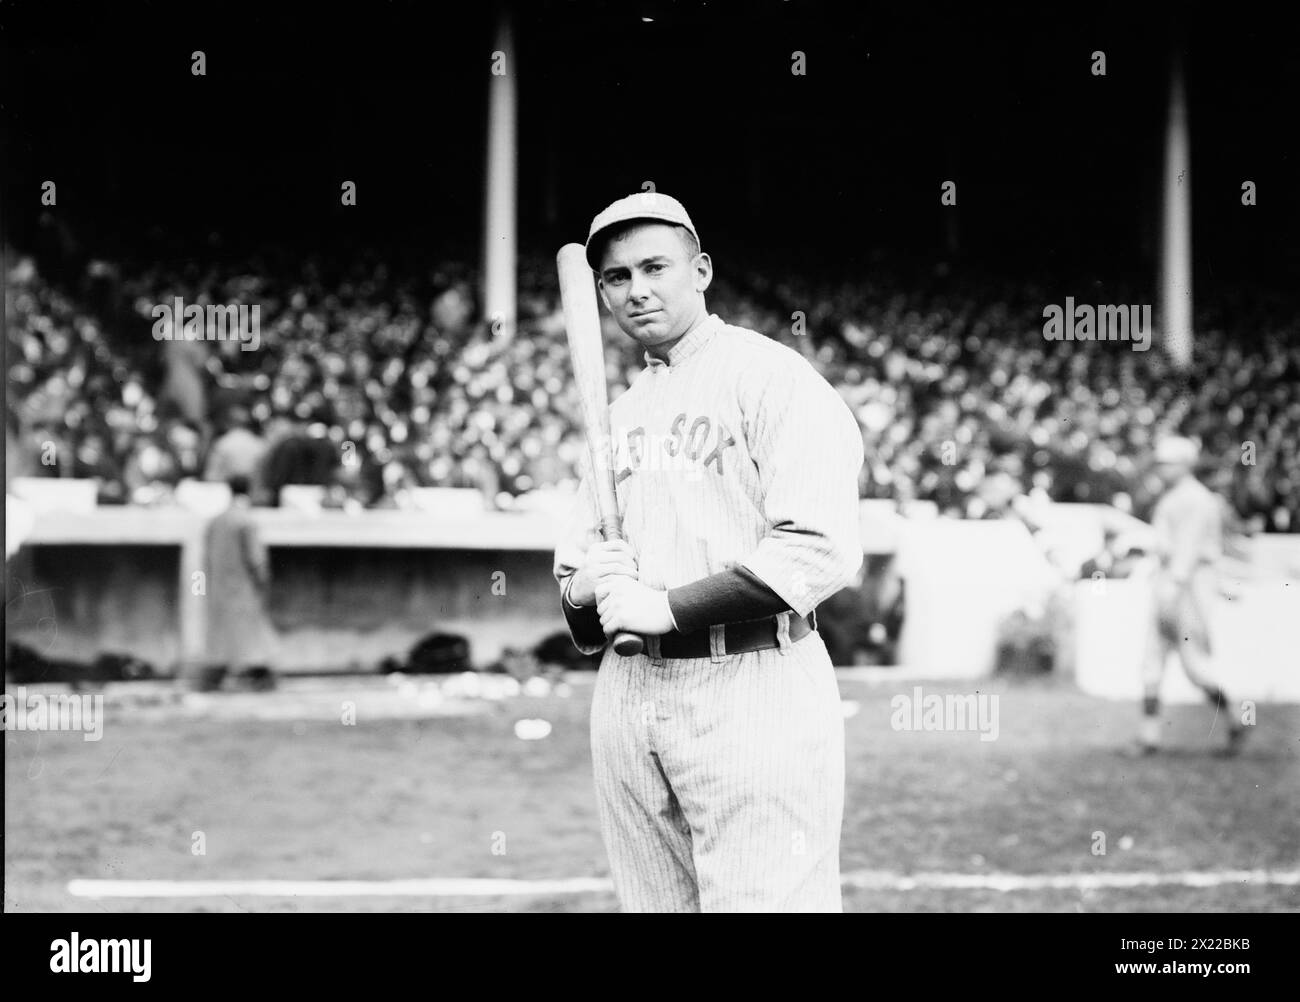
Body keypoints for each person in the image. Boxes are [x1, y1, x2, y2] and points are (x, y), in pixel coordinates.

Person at [552, 192, 864, 911]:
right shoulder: (618, 412)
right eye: (616, 277)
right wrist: (585, 589)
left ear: (701, 270)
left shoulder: (771, 377)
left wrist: (664, 606)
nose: (636, 290)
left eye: (655, 267)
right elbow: (573, 592)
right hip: (628, 698)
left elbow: (817, 550)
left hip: (753, 682)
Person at [1138, 436, 1245, 755]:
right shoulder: (1173, 497)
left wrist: (1172, 587)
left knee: (1195, 665)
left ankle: (1237, 719)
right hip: (1170, 581)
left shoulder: (1197, 499)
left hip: (1188, 586)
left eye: (1167, 462)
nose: (1161, 468)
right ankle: (1149, 738)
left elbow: (1187, 549)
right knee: (1152, 659)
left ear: (1185, 464)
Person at [197, 474, 277, 690]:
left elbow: (205, 558)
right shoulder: (246, 521)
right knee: (249, 636)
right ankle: (256, 675)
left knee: (220, 636)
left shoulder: (216, 521)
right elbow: (256, 559)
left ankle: (214, 675)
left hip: (218, 587)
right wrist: (263, 582)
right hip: (243, 587)